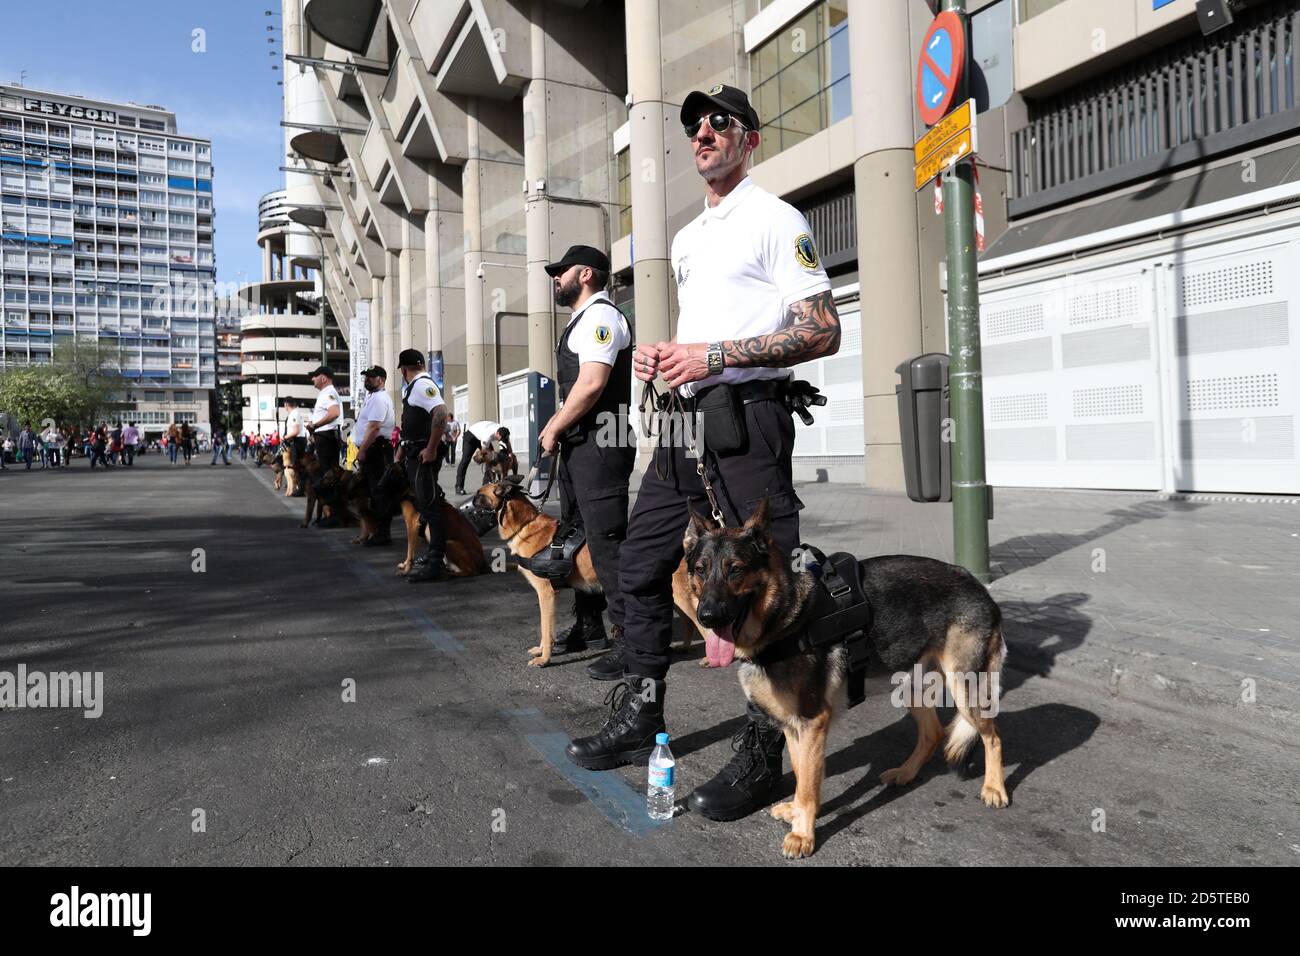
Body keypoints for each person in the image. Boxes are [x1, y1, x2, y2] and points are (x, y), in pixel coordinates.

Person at [565, 85, 841, 825]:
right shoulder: (688, 238)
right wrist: (667, 357)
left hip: (748, 425)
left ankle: (762, 754)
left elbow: (821, 329)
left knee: (770, 591)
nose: (703, 133)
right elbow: (703, 336)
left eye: (720, 122)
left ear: (749, 137)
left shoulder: (777, 220)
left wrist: (714, 355)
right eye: (693, 126)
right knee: (642, 563)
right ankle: (644, 717)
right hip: (685, 430)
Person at [537, 244, 634, 658]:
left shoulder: (601, 318)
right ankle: (590, 625)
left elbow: (593, 383)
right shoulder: (582, 320)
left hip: (602, 443)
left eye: (563, 271)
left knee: (607, 543)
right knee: (579, 539)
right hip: (582, 444)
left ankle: (629, 642)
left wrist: (555, 424)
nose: (556, 278)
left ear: (587, 275)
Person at [395, 348, 450, 583]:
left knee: (430, 507)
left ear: (404, 370)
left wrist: (431, 448)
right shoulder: (416, 387)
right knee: (426, 505)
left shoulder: (420, 386)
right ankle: (432, 556)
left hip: (422, 456)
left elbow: (441, 413)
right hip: (414, 453)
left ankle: (436, 563)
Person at [352, 365, 397, 546]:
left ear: (381, 380)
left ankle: (382, 534)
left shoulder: (379, 399)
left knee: (380, 493)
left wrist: (362, 450)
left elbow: (374, 427)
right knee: (370, 492)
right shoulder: (373, 397)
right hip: (373, 448)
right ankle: (371, 532)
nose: (366, 380)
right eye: (366, 377)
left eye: (371, 377)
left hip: (377, 449)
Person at [306, 365, 343, 526]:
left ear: (323, 378)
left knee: (329, 476)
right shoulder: (325, 393)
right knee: (326, 475)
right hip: (324, 437)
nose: (312, 379)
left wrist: (316, 425)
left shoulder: (328, 393)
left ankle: (333, 516)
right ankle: (329, 514)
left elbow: (334, 412)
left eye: (314, 376)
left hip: (326, 437)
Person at [455, 418, 503, 495]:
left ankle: (486, 483)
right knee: (465, 460)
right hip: (471, 436)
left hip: (481, 435)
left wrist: (509, 452)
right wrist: (480, 458)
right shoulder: (488, 435)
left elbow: (507, 442)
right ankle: (459, 486)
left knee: (491, 459)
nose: (499, 441)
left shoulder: (502, 430)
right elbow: (484, 451)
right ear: (497, 433)